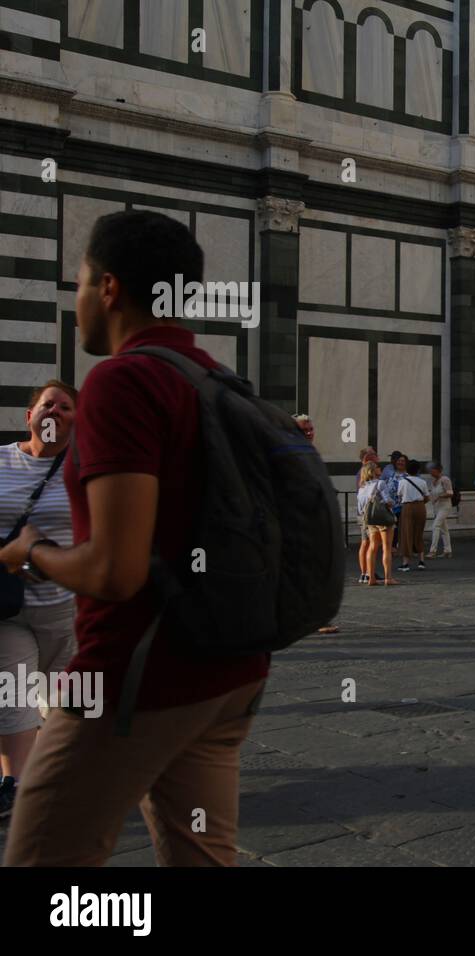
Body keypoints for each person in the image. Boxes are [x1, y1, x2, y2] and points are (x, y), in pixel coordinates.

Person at [0, 210, 268, 865]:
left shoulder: (122, 382)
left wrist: (29, 551)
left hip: (136, 675)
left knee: (38, 858)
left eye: (83, 282)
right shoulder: (216, 380)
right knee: (199, 856)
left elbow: (117, 573)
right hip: (232, 671)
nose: (80, 299)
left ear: (110, 288)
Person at [0, 381, 78, 821]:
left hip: (67, 609)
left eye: (66, 407)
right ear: (30, 415)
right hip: (6, 607)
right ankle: (14, 785)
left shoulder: (85, 470)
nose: (55, 412)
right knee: (12, 694)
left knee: (67, 702)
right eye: (47, 404)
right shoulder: (0, 461)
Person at [293, 414, 340, 633]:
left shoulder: (309, 453)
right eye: (305, 430)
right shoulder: (292, 453)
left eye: (311, 429)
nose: (310, 433)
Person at [357, 461, 397, 585]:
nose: (380, 469)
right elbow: (387, 501)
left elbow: (360, 507)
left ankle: (371, 578)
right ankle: (388, 578)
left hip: (370, 519)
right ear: (373, 471)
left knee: (372, 547)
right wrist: (393, 502)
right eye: (378, 468)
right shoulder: (380, 483)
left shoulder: (362, 487)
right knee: (386, 547)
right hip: (383, 518)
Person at [395, 459, 430, 571]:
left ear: (407, 469)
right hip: (420, 507)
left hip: (407, 507)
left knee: (406, 533)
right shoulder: (422, 482)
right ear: (418, 470)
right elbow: (427, 497)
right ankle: (421, 561)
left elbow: (399, 496)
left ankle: (406, 563)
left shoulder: (402, 482)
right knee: (419, 533)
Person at [355, 446, 379, 584]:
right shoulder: (367, 473)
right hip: (369, 513)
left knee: (365, 543)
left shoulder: (362, 474)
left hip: (362, 512)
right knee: (370, 544)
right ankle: (369, 573)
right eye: (374, 454)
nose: (377, 457)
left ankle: (365, 573)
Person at [426, 462, 454, 558]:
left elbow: (450, 493)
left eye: (431, 470)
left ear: (437, 470)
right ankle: (447, 550)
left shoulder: (445, 479)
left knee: (436, 526)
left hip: (445, 506)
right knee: (444, 529)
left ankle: (432, 551)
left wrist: (439, 496)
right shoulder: (433, 481)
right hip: (437, 507)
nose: (430, 472)